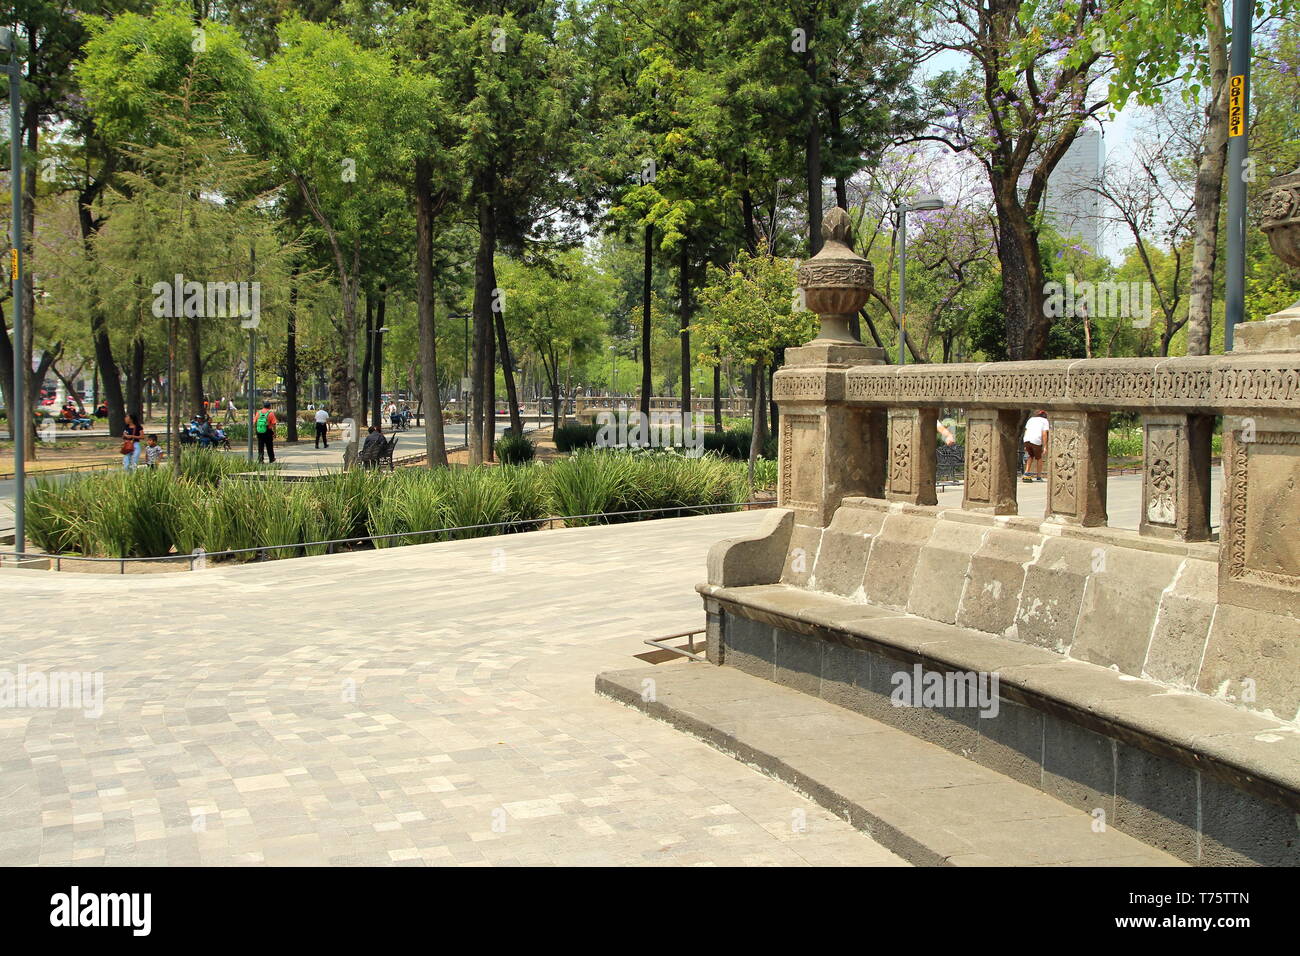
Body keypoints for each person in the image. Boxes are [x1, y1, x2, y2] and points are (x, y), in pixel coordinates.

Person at [1022, 410, 1050, 482]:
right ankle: (1039, 476)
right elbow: (1044, 434)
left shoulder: (1031, 419)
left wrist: (1025, 444)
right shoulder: (1045, 421)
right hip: (1036, 440)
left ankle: (1026, 473)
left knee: (1031, 455)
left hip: (1026, 439)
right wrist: (1045, 446)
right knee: (1039, 457)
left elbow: (1026, 430)